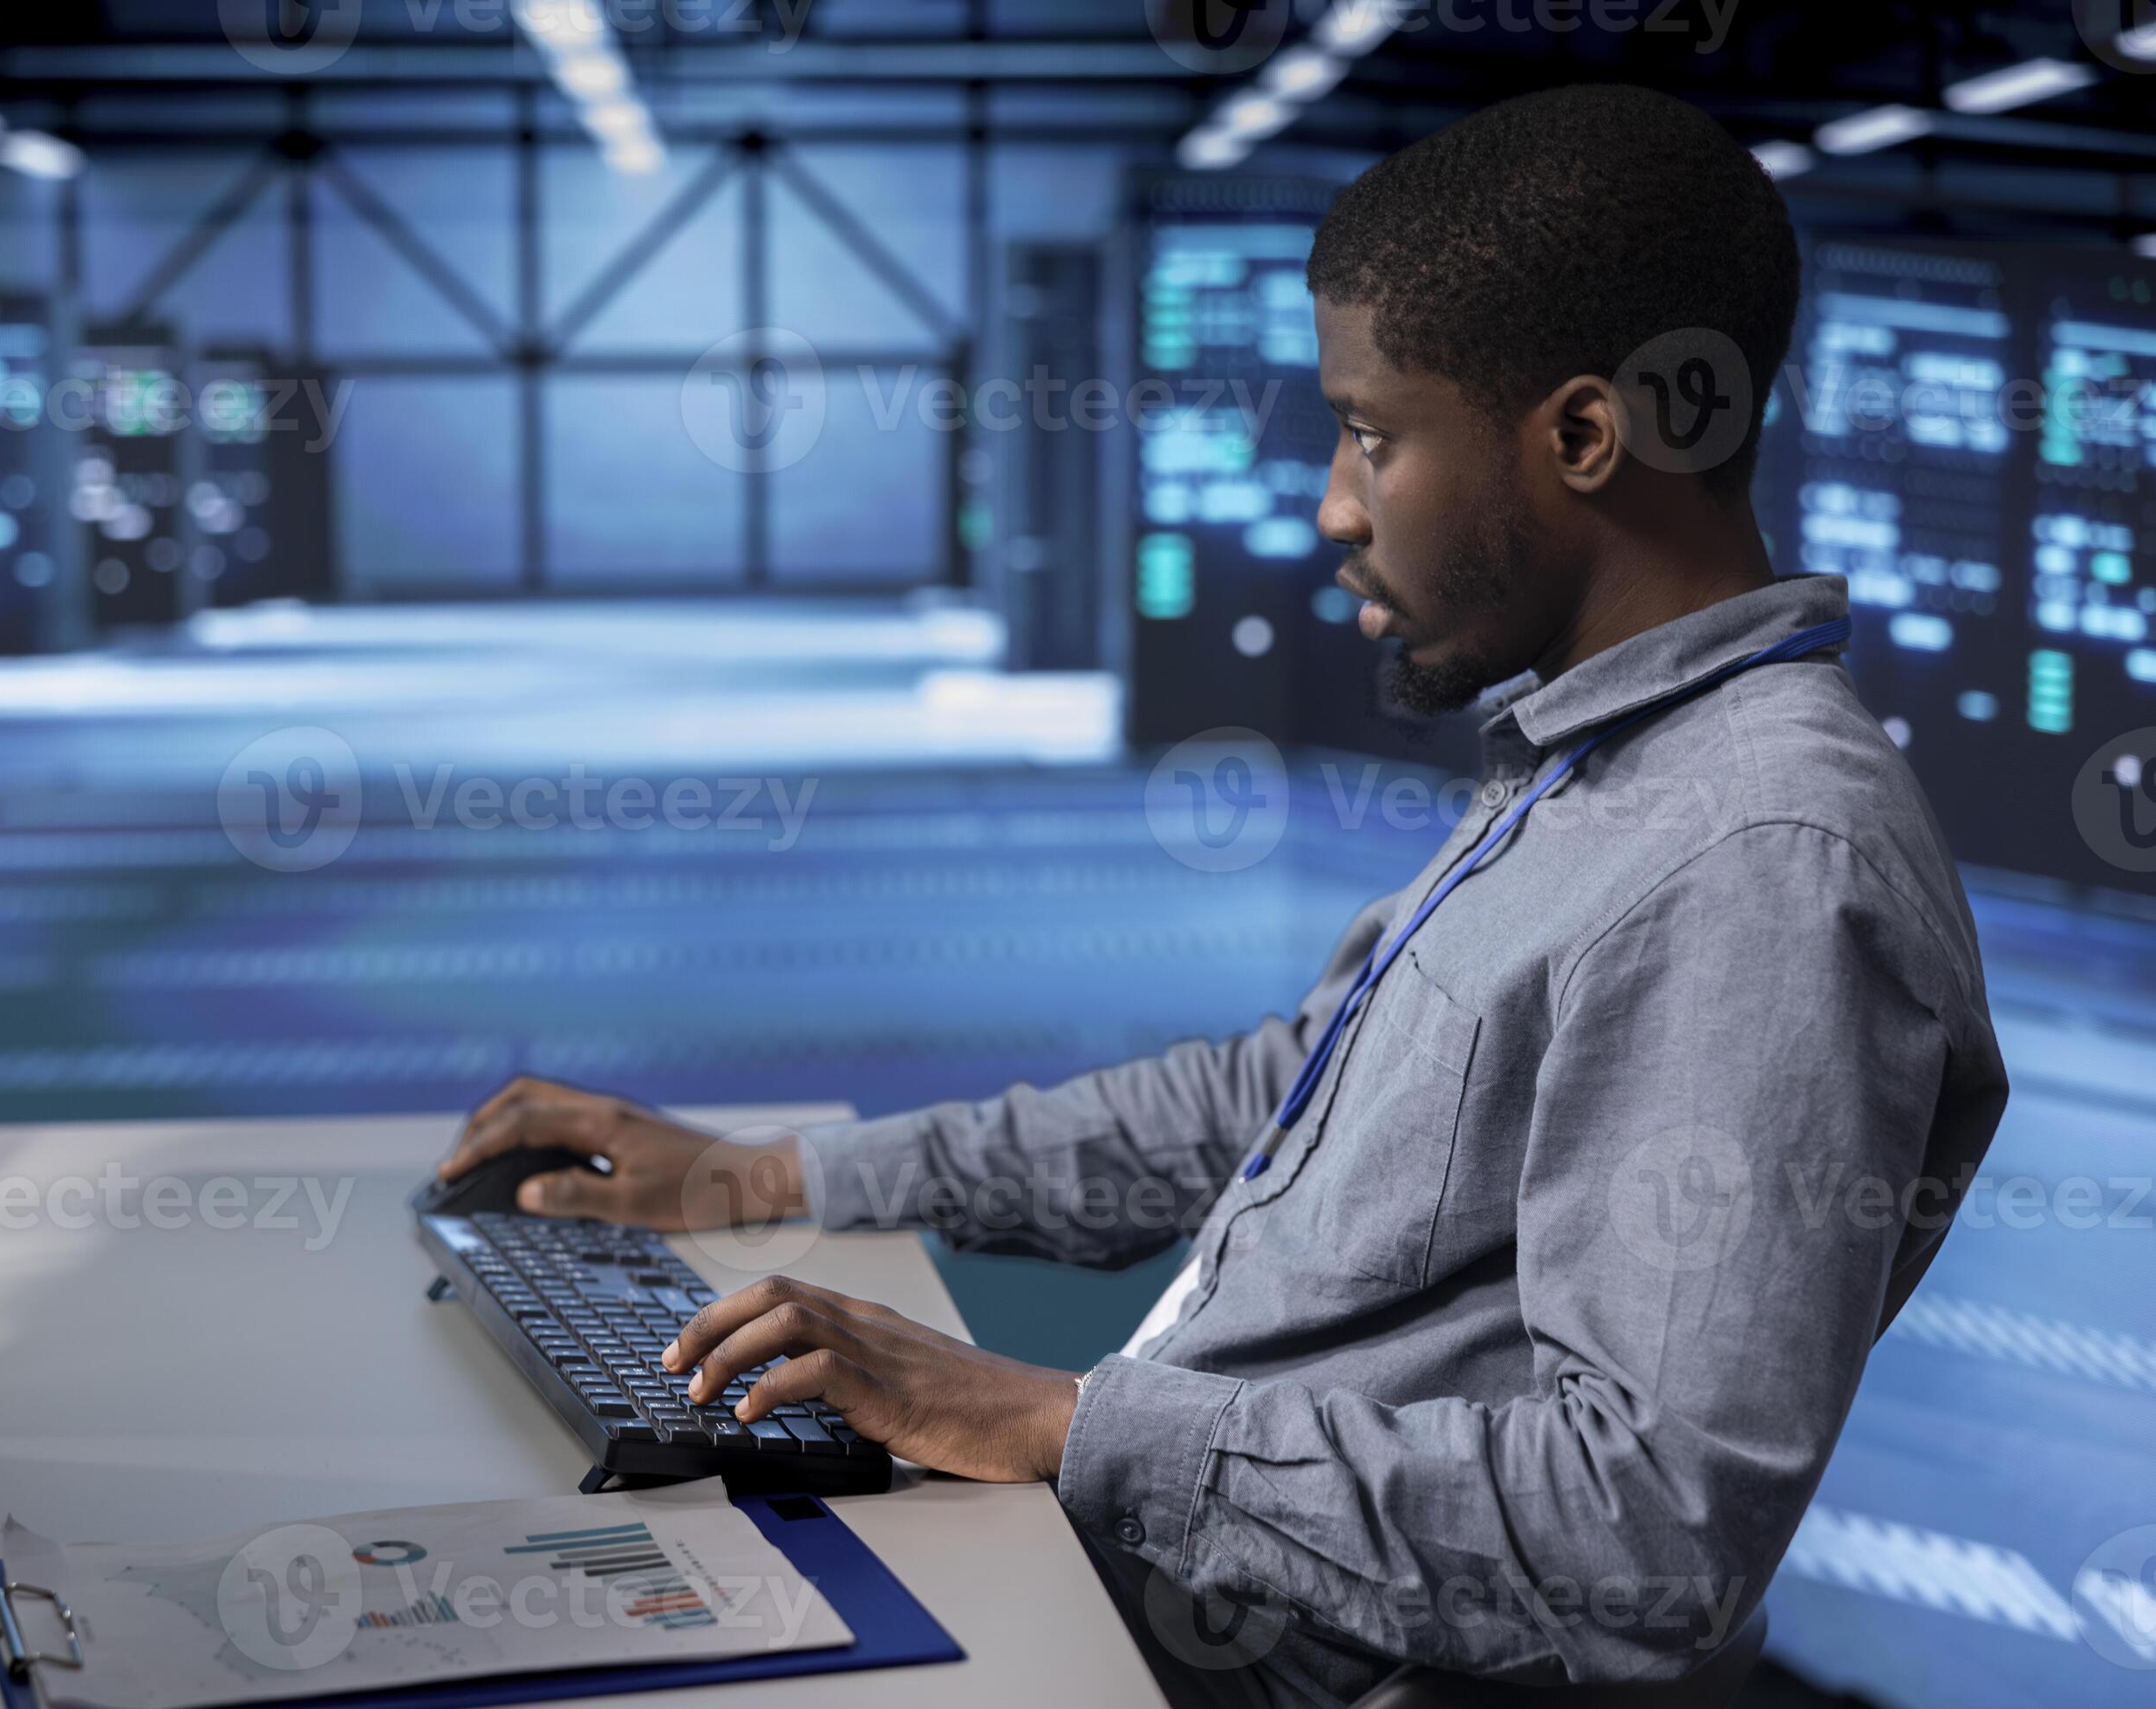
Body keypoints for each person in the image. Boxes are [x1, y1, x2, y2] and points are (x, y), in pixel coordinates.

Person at [435, 85, 2007, 1706]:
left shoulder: (1758, 862)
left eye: (1376, 434)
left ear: (1587, 439)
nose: (1336, 501)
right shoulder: (1598, 766)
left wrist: (1056, 1422)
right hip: (1161, 1586)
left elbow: (1648, 1539)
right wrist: (773, 1174)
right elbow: (1285, 1103)